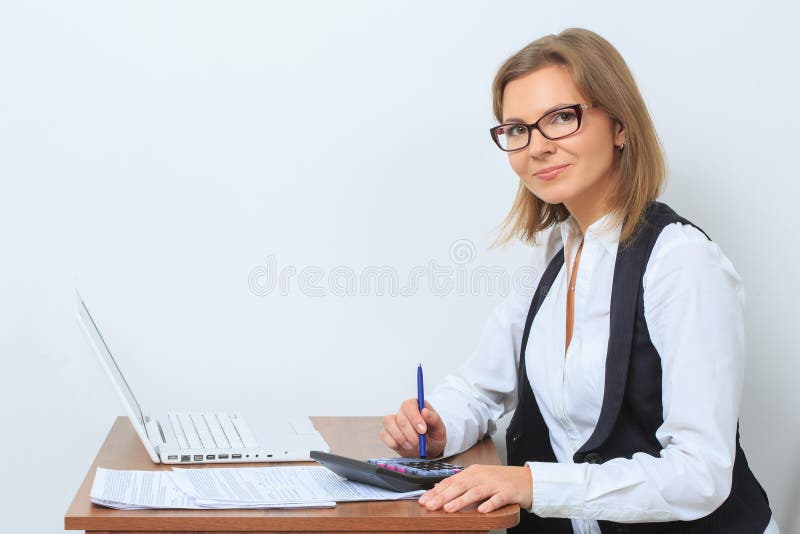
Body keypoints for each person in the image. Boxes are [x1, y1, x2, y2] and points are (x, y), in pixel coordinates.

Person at [380, 28, 778, 533]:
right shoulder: (555, 252)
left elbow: (700, 474)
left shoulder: (681, 262)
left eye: (561, 118)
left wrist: (534, 484)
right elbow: (481, 387)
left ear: (620, 126)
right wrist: (440, 425)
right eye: (518, 129)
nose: (537, 147)